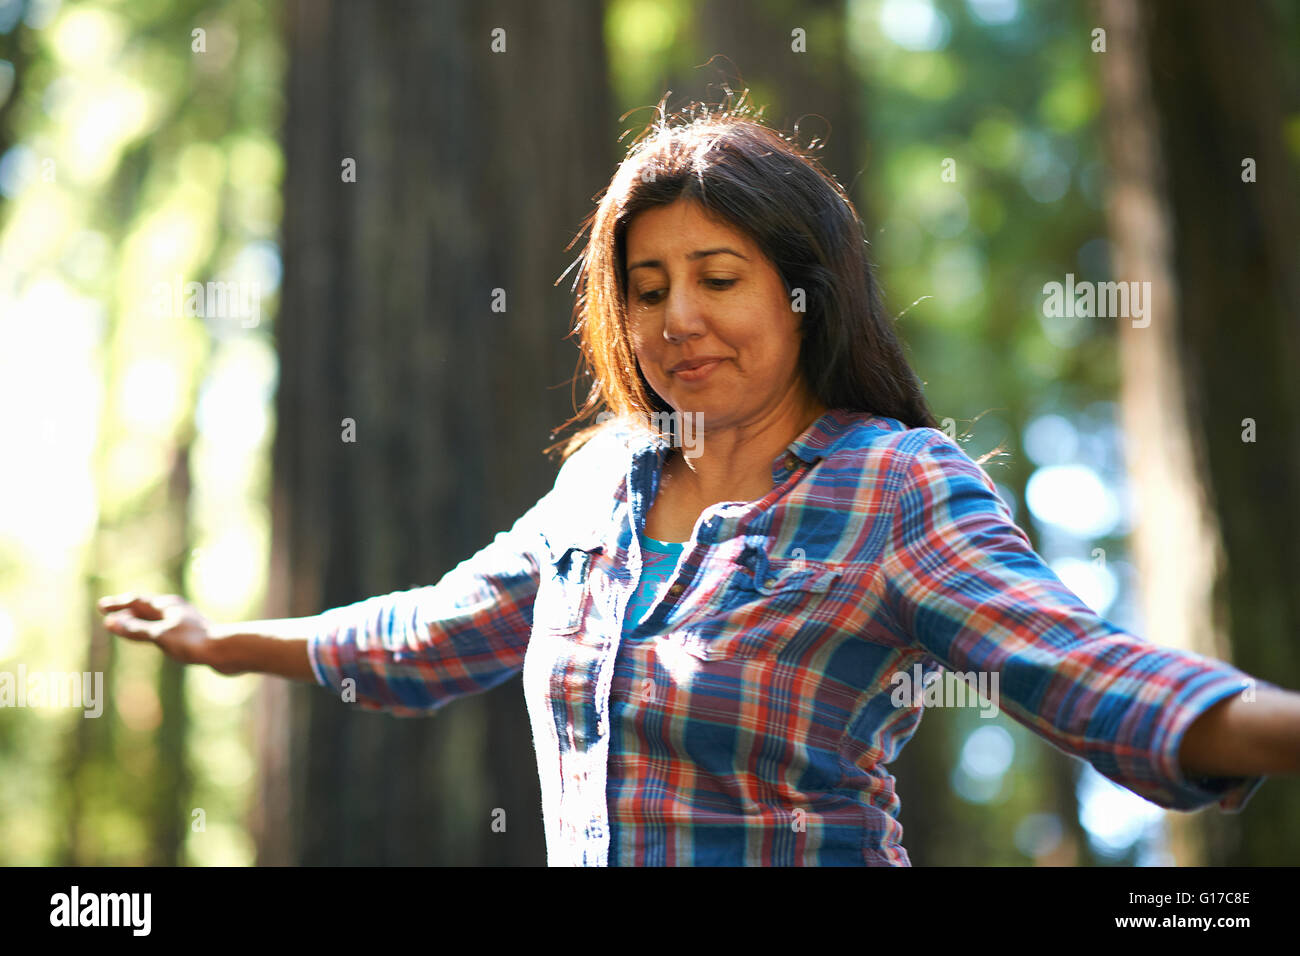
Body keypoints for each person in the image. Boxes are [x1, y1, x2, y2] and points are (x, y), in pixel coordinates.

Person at [97, 104, 1300, 866]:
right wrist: (228, 642)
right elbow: (434, 630)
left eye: (719, 275)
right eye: (647, 283)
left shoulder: (891, 485)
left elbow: (1088, 672)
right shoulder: (600, 483)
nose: (679, 317)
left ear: (799, 291)